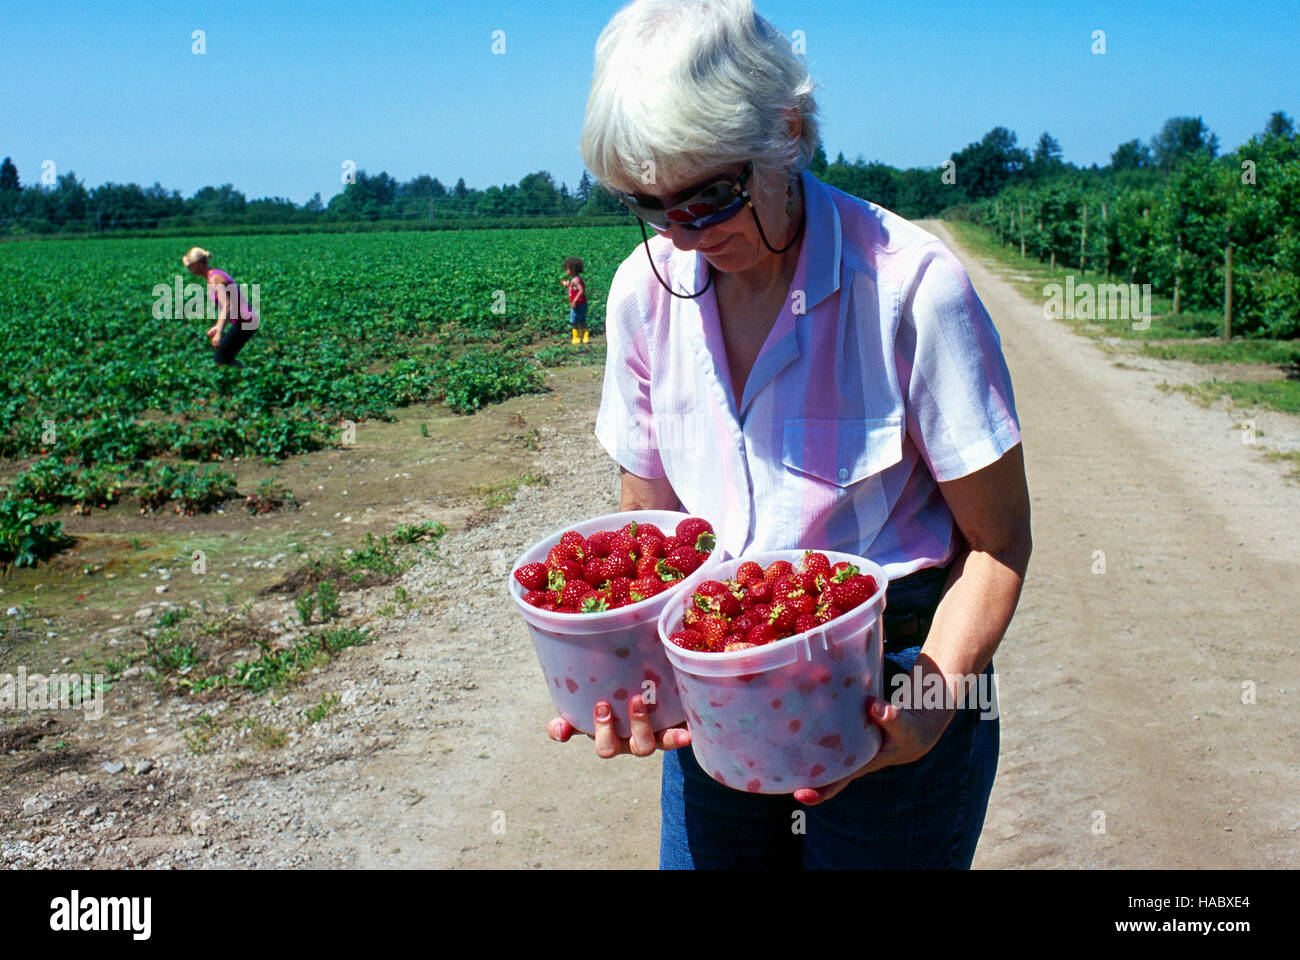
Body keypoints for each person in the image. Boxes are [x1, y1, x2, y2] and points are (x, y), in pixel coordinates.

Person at [547, 0, 1032, 869]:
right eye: (651, 206)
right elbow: (654, 536)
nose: (685, 235)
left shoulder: (914, 290)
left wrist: (928, 699)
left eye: (710, 195)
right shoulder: (640, 294)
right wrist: (627, 673)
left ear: (789, 132)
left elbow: (997, 545)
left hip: (888, 674)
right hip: (715, 676)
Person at [182, 247, 259, 368]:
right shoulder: (213, 276)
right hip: (244, 321)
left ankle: (246, 375)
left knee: (221, 359)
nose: (189, 270)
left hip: (246, 322)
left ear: (197, 264)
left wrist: (219, 333)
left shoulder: (215, 278)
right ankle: (243, 374)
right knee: (224, 357)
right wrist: (218, 326)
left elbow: (228, 306)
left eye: (189, 266)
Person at [560, 257, 589, 345]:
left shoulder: (575, 280)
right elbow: (575, 289)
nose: (566, 272)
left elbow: (581, 290)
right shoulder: (576, 280)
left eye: (567, 269)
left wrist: (574, 301)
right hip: (582, 303)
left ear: (572, 270)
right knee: (582, 320)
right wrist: (568, 285)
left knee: (574, 321)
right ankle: (584, 336)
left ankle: (576, 337)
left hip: (578, 304)